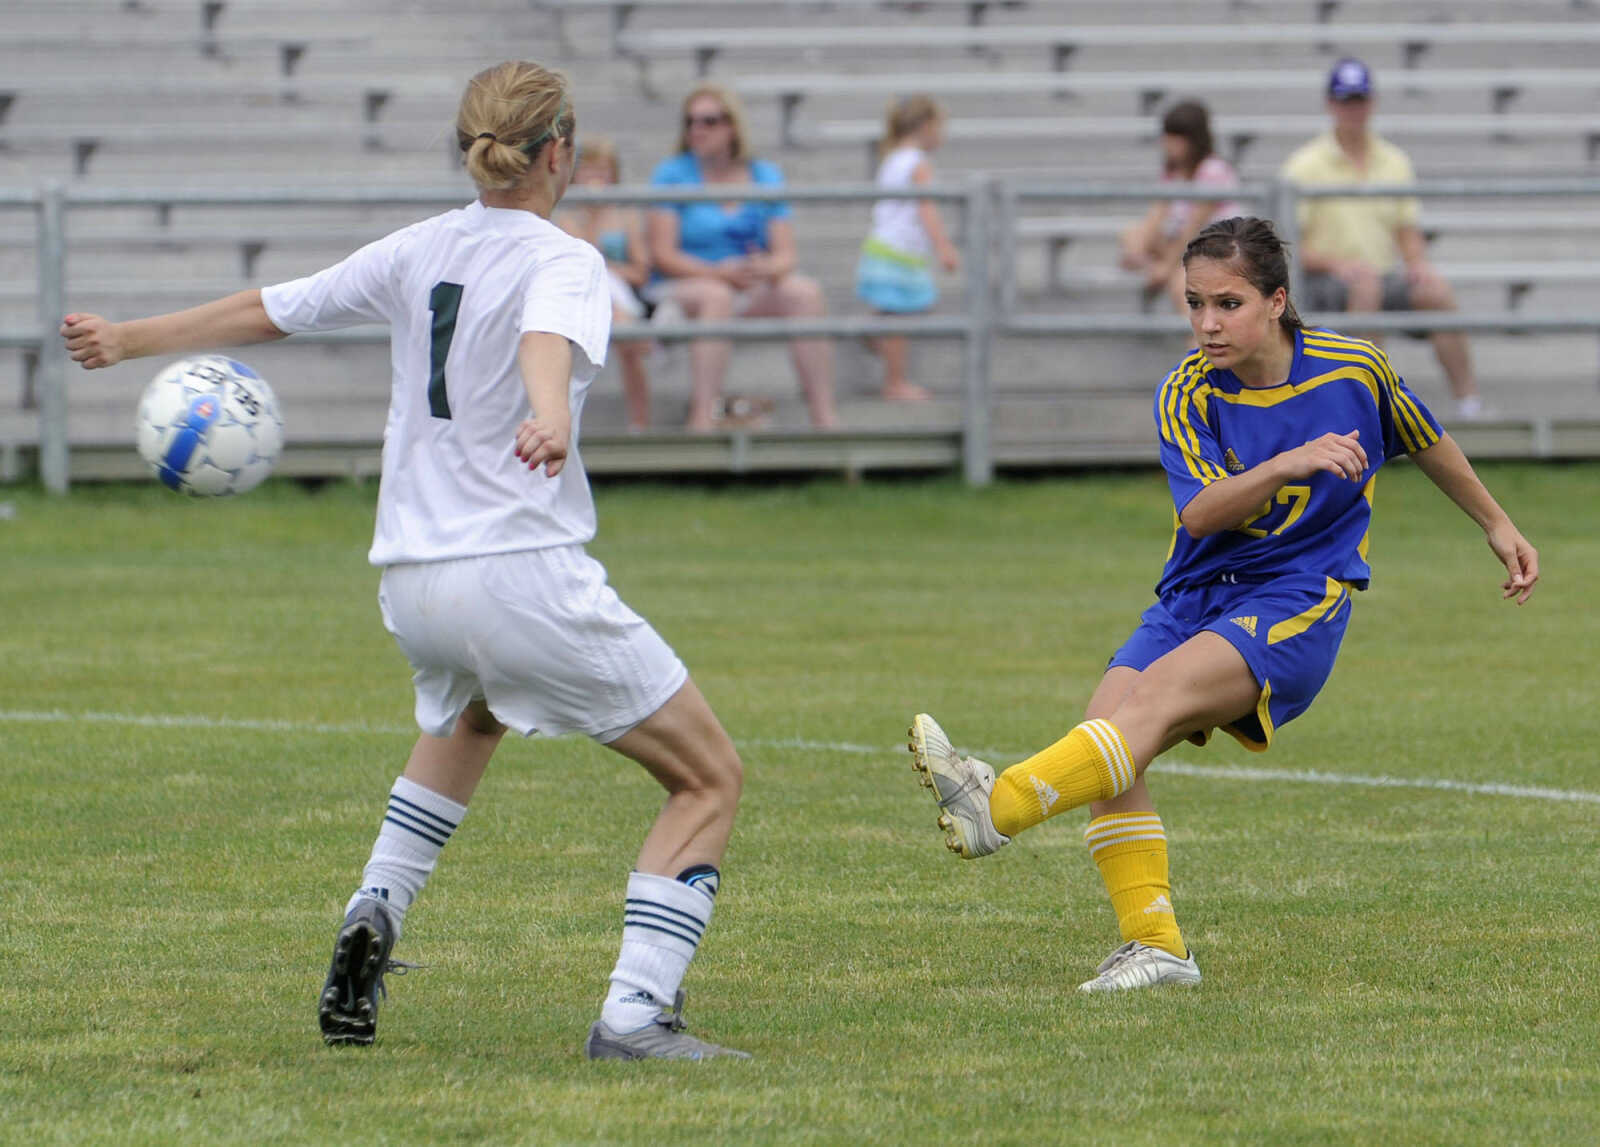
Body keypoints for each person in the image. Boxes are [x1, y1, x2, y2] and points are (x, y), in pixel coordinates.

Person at [60, 60, 750, 1061]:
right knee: (710, 777)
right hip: (515, 570)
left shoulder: (422, 247)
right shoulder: (563, 258)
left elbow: (273, 307)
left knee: (475, 717)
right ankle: (636, 1017)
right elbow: (545, 345)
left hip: (413, 579)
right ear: (559, 149)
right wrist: (550, 416)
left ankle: (372, 909)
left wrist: (129, 339)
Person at [906, 216, 1538, 993]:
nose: (1207, 323)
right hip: (1196, 594)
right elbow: (1201, 512)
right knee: (1108, 742)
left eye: (1228, 304)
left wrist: (1497, 522)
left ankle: (994, 805)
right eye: (1195, 303)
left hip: (1298, 596)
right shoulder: (1187, 390)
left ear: (1277, 301)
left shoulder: (1354, 369)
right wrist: (1293, 461)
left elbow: (1425, 436)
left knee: (1149, 707)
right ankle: (1158, 947)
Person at [1280, 58, 1490, 419]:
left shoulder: (1393, 160)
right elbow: (1287, 246)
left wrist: (1418, 265)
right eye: (1346, 100)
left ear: (1372, 103)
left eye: (1359, 100)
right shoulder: (1304, 165)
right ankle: (1370, 409)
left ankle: (1469, 402)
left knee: (1435, 292)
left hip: (1374, 276)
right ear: (1331, 104)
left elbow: (1406, 230)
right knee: (1367, 287)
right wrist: (1337, 264)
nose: (1354, 109)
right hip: (1319, 280)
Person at [646, 83, 838, 432]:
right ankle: (702, 420)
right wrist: (718, 273)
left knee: (805, 293)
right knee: (715, 297)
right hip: (684, 285)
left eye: (709, 121)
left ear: (732, 126)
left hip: (744, 283)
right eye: (690, 122)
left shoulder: (764, 175)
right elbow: (663, 255)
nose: (697, 130)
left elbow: (786, 256)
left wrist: (762, 268)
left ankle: (825, 420)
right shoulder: (673, 173)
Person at [855, 94, 961, 402]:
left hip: (882, 247)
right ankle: (895, 382)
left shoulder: (892, 157)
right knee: (901, 318)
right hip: (900, 252)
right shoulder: (917, 163)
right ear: (926, 126)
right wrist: (943, 246)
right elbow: (926, 207)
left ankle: (875, 336)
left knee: (896, 312)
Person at [556, 136, 654, 433]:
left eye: (603, 171)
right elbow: (580, 261)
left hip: (620, 292)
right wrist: (594, 218)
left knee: (625, 331)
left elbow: (641, 271)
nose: (595, 179)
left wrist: (611, 268)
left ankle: (639, 422)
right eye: (588, 170)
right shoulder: (565, 217)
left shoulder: (626, 217)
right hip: (581, 293)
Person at [1118, 100, 1241, 314]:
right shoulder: (1172, 172)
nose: (1169, 144)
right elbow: (1157, 215)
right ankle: (1154, 268)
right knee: (1133, 234)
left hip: (1218, 248)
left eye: (1177, 139)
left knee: (1181, 286)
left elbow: (1194, 227)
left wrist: (1166, 266)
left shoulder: (1213, 170)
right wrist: (1138, 248)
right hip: (1186, 247)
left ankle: (1198, 342)